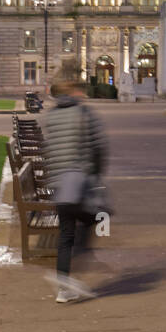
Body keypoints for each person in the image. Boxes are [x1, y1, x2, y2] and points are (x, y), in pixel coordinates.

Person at [41, 79, 109, 303]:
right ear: (74, 92)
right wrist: (97, 173)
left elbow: (50, 148)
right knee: (97, 218)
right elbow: (98, 146)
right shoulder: (84, 113)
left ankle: (63, 287)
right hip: (78, 181)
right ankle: (74, 269)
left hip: (58, 184)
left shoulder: (50, 116)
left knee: (66, 234)